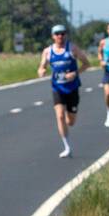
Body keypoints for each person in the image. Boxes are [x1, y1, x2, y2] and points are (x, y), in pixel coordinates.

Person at [37, 23, 83, 156]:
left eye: (62, 33)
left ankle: (69, 124)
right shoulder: (47, 51)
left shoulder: (72, 48)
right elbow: (42, 66)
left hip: (72, 88)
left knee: (71, 121)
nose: (60, 36)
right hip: (57, 88)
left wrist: (75, 73)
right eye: (57, 34)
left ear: (66, 35)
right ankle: (67, 146)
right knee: (60, 115)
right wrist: (42, 70)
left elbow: (86, 63)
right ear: (53, 36)